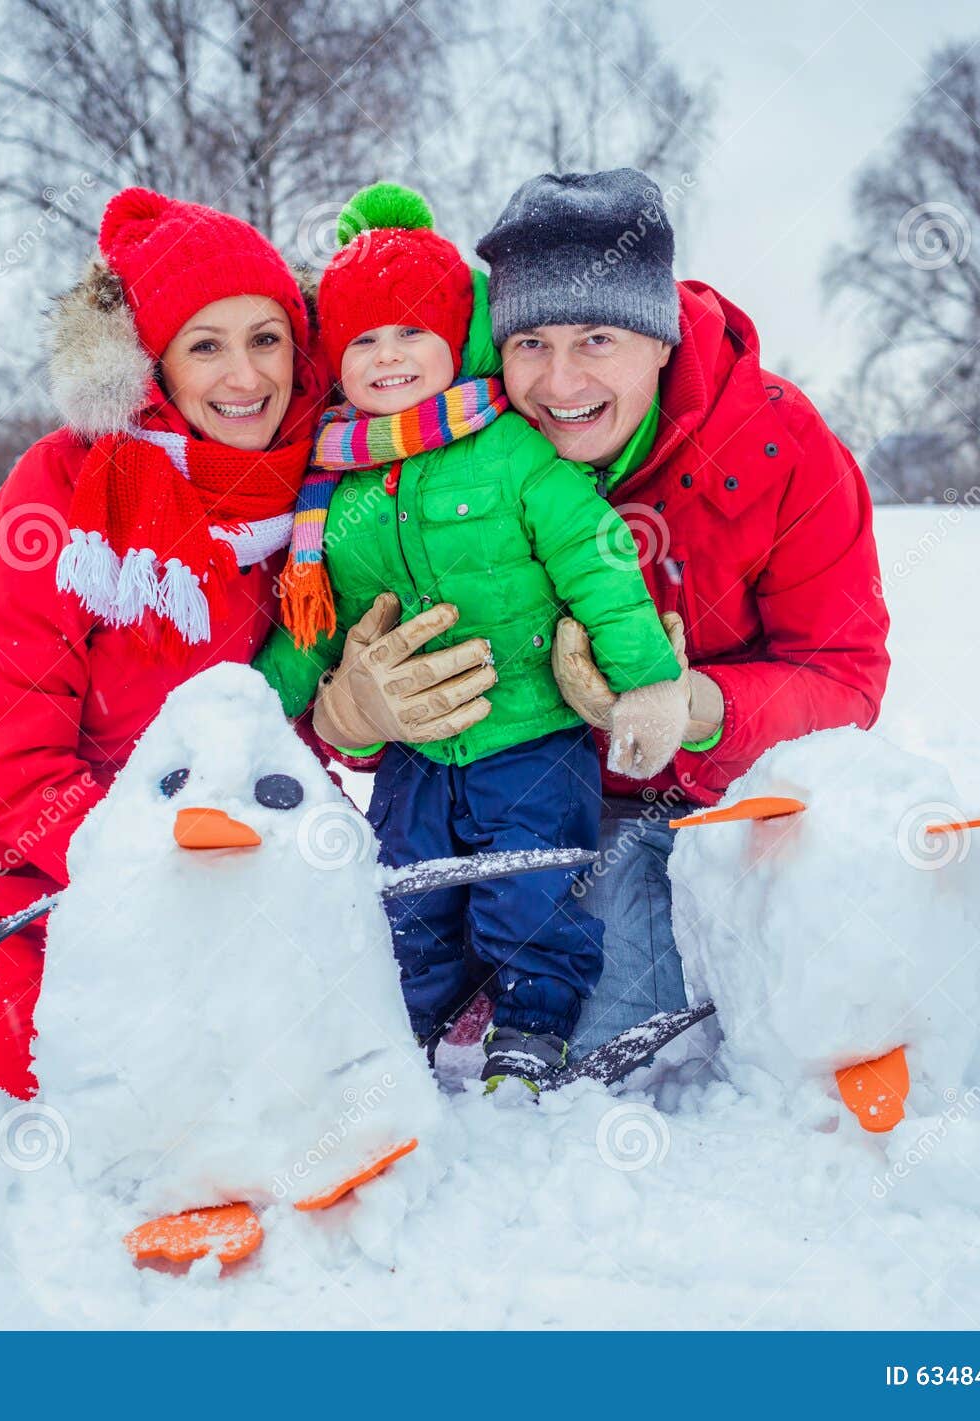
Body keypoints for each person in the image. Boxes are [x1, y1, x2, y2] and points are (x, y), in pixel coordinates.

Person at [309, 168, 890, 1059]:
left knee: (641, 1021)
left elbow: (846, 678)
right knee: (536, 1015)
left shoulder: (779, 446)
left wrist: (692, 708)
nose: (560, 378)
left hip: (710, 802)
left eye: (598, 338)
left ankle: (853, 1006)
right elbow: (343, 630)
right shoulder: (445, 446)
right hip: (523, 802)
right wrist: (350, 715)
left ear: (659, 340)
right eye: (530, 342)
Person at [0, 186, 329, 1135]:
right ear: (153, 365)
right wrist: (155, 876)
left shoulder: (321, 492)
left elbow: (302, 716)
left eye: (266, 337)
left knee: (264, 1052)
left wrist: (356, 720)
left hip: (208, 856)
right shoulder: (64, 488)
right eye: (204, 344)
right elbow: (16, 767)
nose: (243, 373)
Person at [255, 184, 686, 1090]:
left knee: (533, 891)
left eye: (412, 331)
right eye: (365, 339)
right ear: (337, 359)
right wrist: (261, 713)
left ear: (461, 337)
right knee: (408, 892)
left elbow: (597, 557)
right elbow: (315, 621)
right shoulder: (337, 487)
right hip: (414, 752)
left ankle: (533, 1021)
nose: (390, 356)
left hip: (529, 733)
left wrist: (647, 680)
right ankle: (407, 1019)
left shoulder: (512, 449)